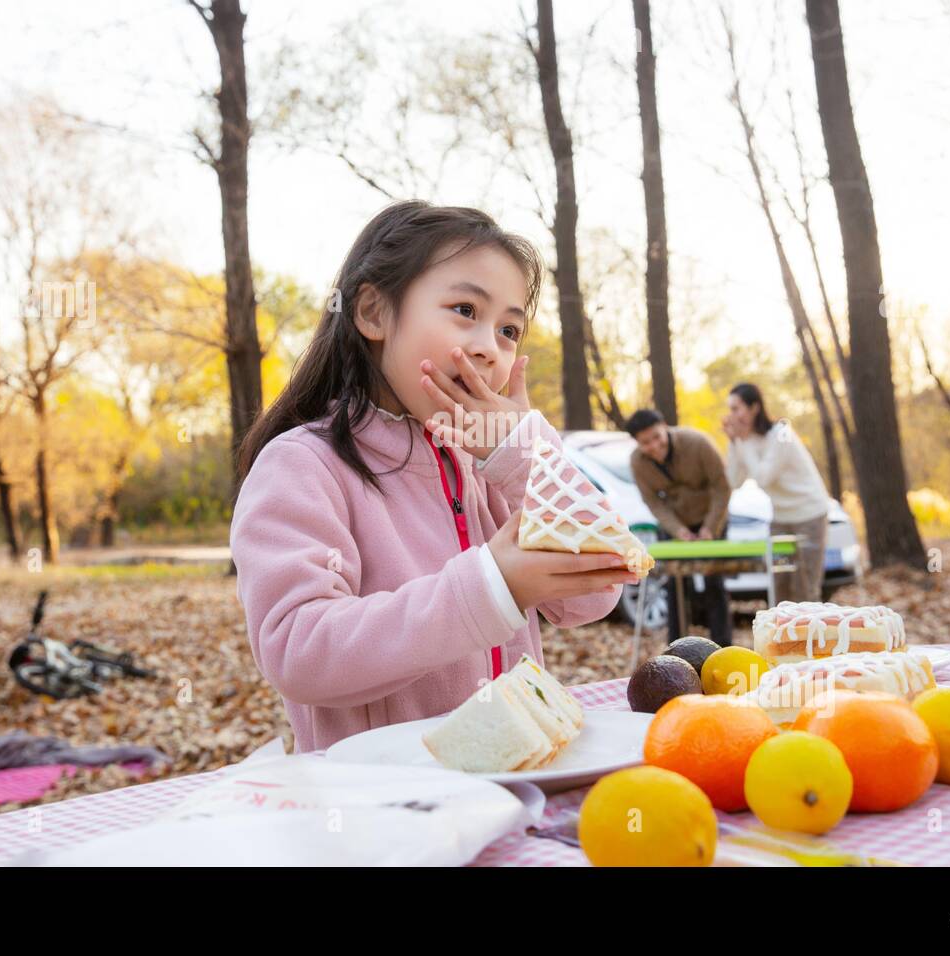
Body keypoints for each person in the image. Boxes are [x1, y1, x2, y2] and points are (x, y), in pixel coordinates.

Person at [230, 201, 633, 752]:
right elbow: (300, 650)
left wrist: (522, 456)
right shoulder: (303, 465)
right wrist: (490, 588)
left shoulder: (487, 466)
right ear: (373, 313)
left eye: (509, 329)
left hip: (513, 786)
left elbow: (601, 585)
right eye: (465, 309)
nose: (488, 347)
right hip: (383, 807)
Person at [626, 408, 732, 645]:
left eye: (656, 437)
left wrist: (710, 528)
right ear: (637, 443)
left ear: (665, 426)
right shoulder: (637, 462)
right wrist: (678, 530)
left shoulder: (697, 442)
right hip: (675, 524)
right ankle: (677, 648)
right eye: (645, 442)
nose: (654, 446)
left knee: (714, 582)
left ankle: (723, 645)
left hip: (712, 517)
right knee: (675, 585)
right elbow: (653, 501)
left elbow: (722, 487)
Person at [722, 383, 831, 604]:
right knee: (779, 585)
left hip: (809, 516)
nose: (731, 415)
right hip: (780, 519)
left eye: (736, 408)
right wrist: (735, 443)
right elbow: (734, 481)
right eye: (730, 409)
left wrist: (742, 443)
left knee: (805, 587)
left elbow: (763, 477)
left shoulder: (781, 434)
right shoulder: (746, 442)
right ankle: (781, 639)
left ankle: (810, 637)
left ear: (754, 407)